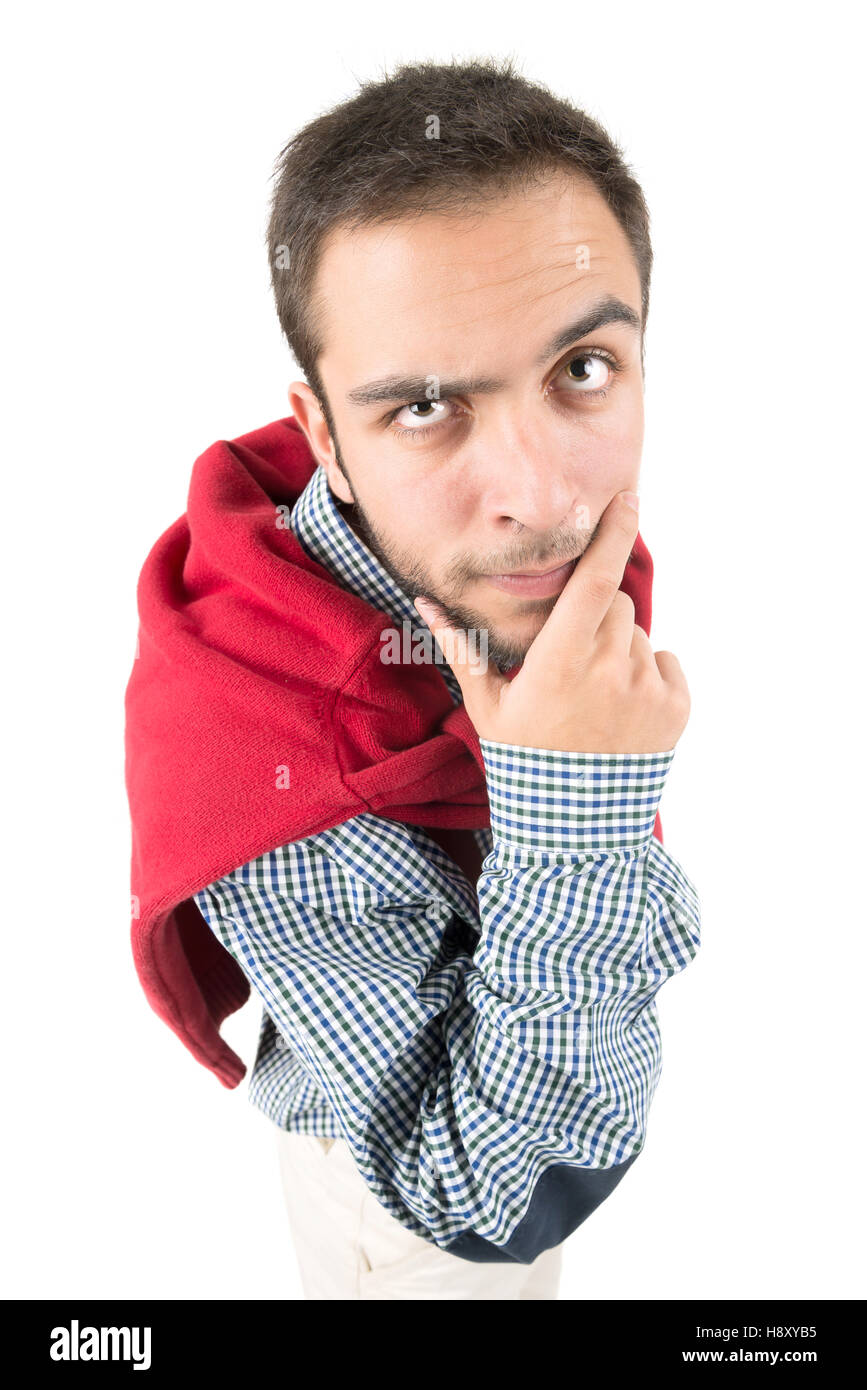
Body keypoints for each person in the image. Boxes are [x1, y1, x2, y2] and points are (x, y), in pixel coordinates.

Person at [133, 56, 702, 1300]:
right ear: (325, 435)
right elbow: (484, 1194)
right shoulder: (294, 777)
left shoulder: (486, 556)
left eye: (585, 370)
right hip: (403, 1215)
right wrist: (577, 801)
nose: (543, 496)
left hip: (532, 1052)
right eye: (430, 406)